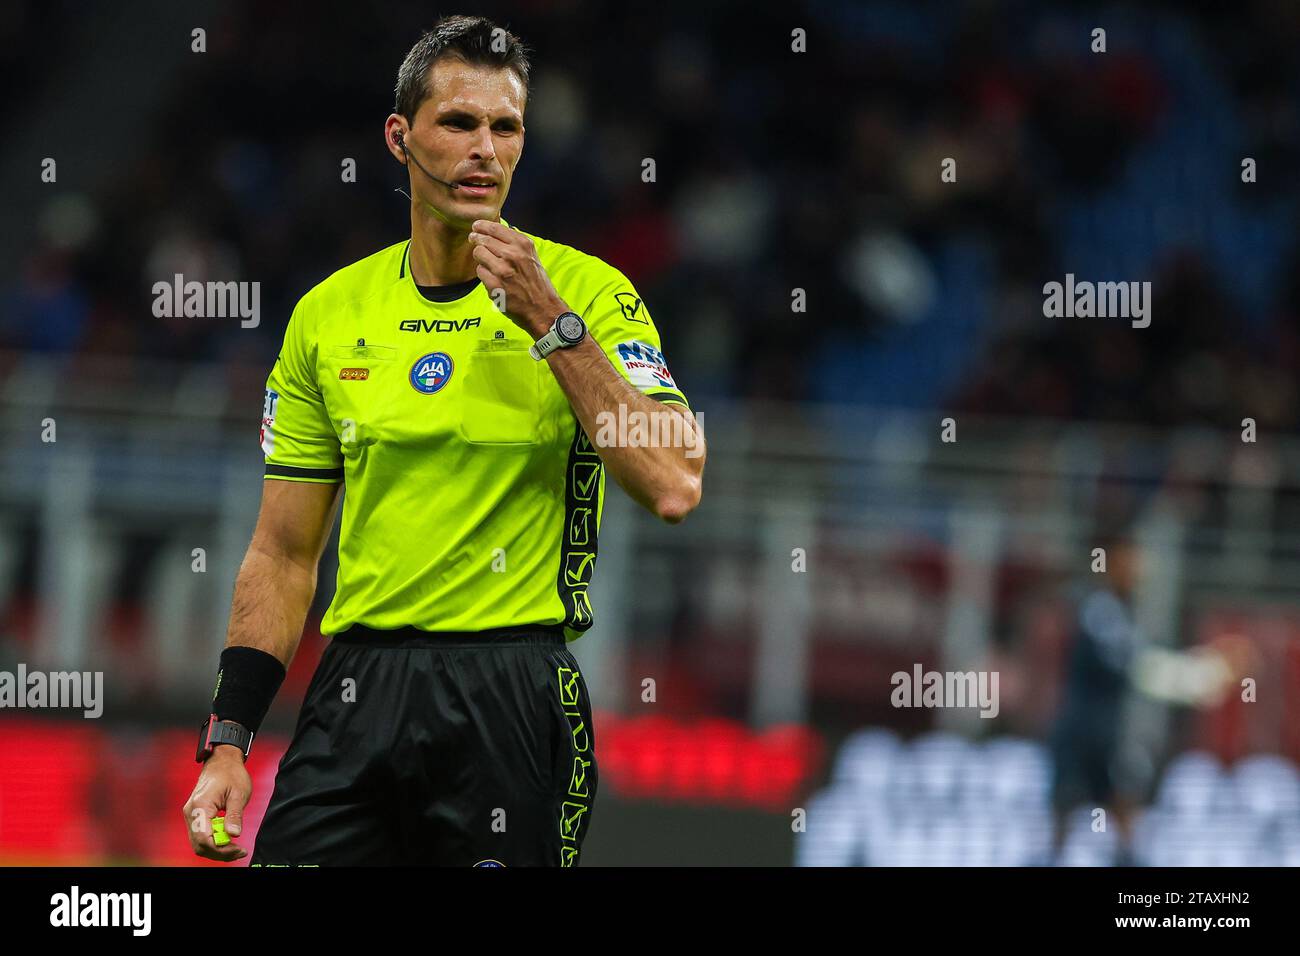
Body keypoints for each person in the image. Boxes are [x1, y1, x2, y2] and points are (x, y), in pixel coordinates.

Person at [182, 14, 705, 866]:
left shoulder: (587, 294)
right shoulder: (330, 316)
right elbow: (281, 555)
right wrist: (230, 740)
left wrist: (552, 326)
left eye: (506, 128)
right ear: (401, 136)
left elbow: (675, 482)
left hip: (512, 692)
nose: (485, 151)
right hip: (355, 690)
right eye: (460, 123)